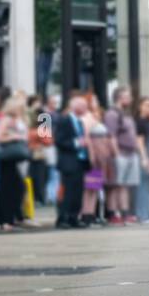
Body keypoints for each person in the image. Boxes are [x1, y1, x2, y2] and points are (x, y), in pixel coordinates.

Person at [104, 86, 142, 224]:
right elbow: (111, 135)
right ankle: (113, 213)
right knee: (116, 184)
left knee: (125, 185)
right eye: (128, 96)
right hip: (120, 152)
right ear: (120, 97)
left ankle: (125, 213)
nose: (131, 99)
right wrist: (116, 154)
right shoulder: (112, 114)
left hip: (131, 153)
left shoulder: (126, 114)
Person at [53, 96, 91, 229]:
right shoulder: (62, 119)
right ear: (75, 106)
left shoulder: (80, 122)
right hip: (68, 161)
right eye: (84, 105)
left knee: (78, 191)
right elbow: (57, 140)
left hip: (80, 160)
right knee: (67, 191)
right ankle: (63, 217)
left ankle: (74, 216)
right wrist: (77, 143)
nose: (87, 108)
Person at [0, 93, 31, 231]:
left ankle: (11, 219)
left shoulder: (23, 118)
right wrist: (15, 137)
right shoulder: (7, 119)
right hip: (8, 157)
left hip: (18, 157)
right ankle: (7, 220)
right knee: (13, 188)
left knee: (17, 188)